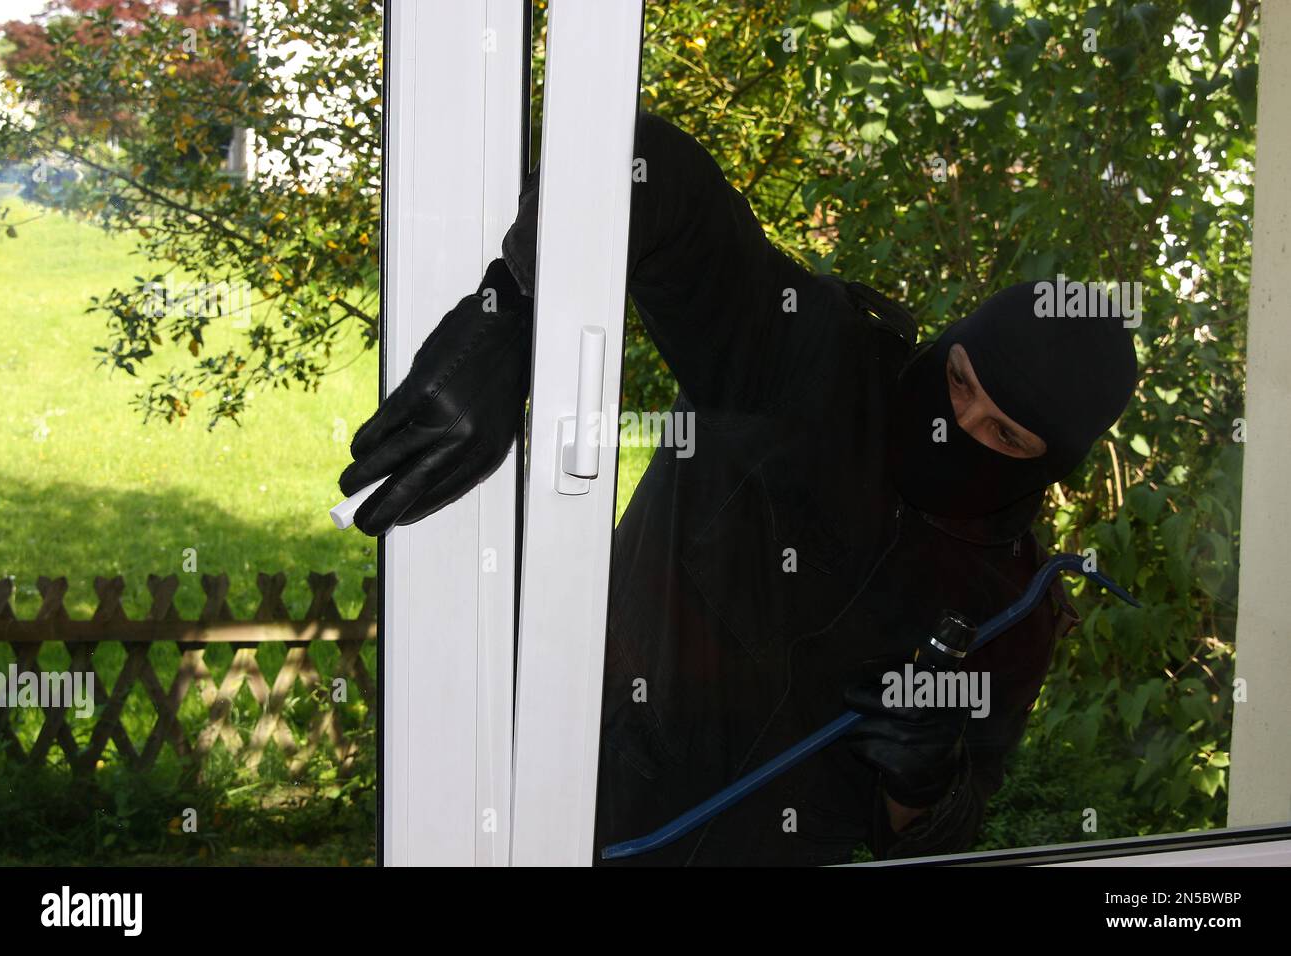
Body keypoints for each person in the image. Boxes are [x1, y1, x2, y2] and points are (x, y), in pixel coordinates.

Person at [339, 111, 1137, 866]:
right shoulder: (810, 359)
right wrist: (512, 310)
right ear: (950, 342)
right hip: (556, 806)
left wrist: (921, 779)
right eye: (960, 382)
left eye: (1004, 436)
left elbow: (938, 838)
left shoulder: (1011, 609)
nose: (956, 427)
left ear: (1043, 466)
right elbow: (642, 161)